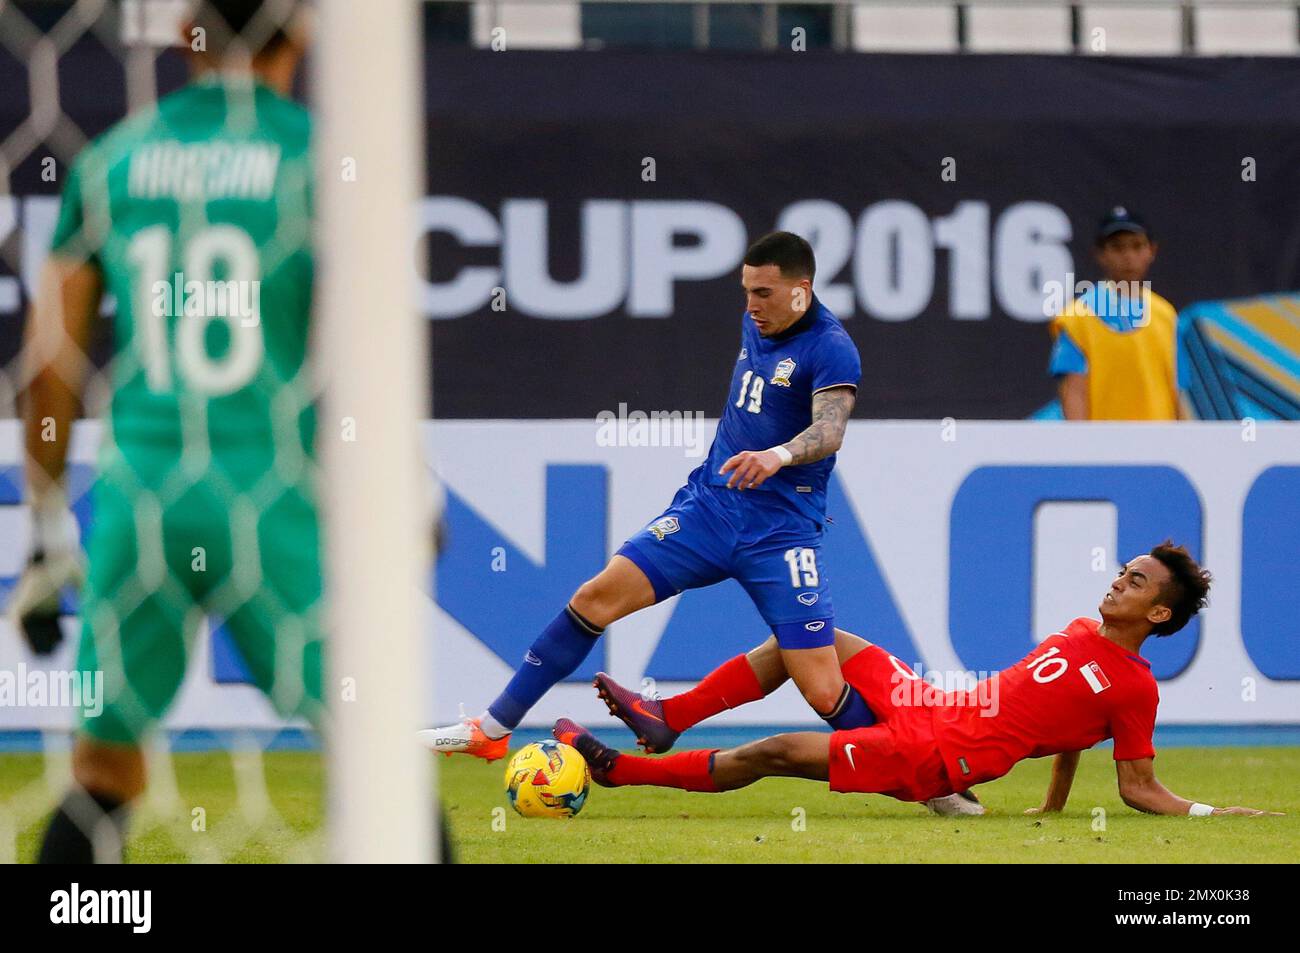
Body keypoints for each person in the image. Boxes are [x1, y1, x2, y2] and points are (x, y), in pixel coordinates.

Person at [12, 0, 321, 863]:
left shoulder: (115, 158)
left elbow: (50, 362)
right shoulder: (322, 158)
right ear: (295, 36)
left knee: (104, 764)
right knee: (368, 744)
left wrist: (44, 532)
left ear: (188, 39)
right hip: (272, 482)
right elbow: (362, 345)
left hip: (144, 477)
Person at [423, 231, 875, 761]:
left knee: (822, 689)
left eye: (765, 293)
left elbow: (831, 429)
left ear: (803, 289)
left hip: (781, 535)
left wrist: (777, 455)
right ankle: (493, 731)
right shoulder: (759, 321)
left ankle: (929, 775)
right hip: (709, 510)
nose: (752, 305)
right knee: (593, 598)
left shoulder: (831, 347)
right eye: (747, 291)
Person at [559, 543, 1280, 818]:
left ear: (1158, 611)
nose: (1117, 581)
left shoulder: (1137, 688)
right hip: (929, 701)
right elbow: (1071, 733)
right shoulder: (1084, 632)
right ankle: (668, 716)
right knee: (809, 635)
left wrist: (1217, 816)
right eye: (1122, 571)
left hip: (933, 755)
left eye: (1135, 582)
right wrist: (1054, 806)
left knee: (774, 751)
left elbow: (1137, 783)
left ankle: (621, 773)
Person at [1050, 207, 1188, 420]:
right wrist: (1080, 449)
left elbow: (1177, 390)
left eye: (1136, 246)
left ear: (1152, 250)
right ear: (1100, 254)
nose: (1128, 256)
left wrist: (1184, 447)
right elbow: (1075, 391)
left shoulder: (1166, 316)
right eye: (1117, 248)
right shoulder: (1078, 317)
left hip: (1160, 447)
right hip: (1103, 448)